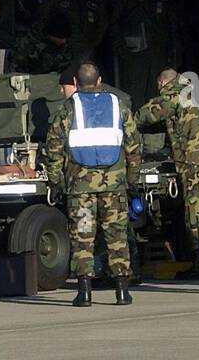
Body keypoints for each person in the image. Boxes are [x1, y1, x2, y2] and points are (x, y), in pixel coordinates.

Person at [45, 61, 143, 306]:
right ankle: (122, 291)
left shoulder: (67, 109)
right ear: (100, 81)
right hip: (114, 186)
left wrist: (55, 181)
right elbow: (134, 146)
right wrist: (131, 180)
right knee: (117, 236)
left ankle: (84, 292)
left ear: (75, 83)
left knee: (83, 236)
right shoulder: (117, 105)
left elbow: (54, 149)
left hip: (81, 190)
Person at [136, 68, 199, 278]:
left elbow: (147, 114)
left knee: (197, 214)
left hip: (194, 165)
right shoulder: (188, 95)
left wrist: (128, 121)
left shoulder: (173, 97)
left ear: (163, 83)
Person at [111, 0, 182, 109]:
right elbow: (114, 24)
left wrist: (175, 54)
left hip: (159, 56)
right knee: (134, 100)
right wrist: (124, 52)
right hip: (134, 58)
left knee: (158, 100)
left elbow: (173, 26)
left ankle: (155, 134)